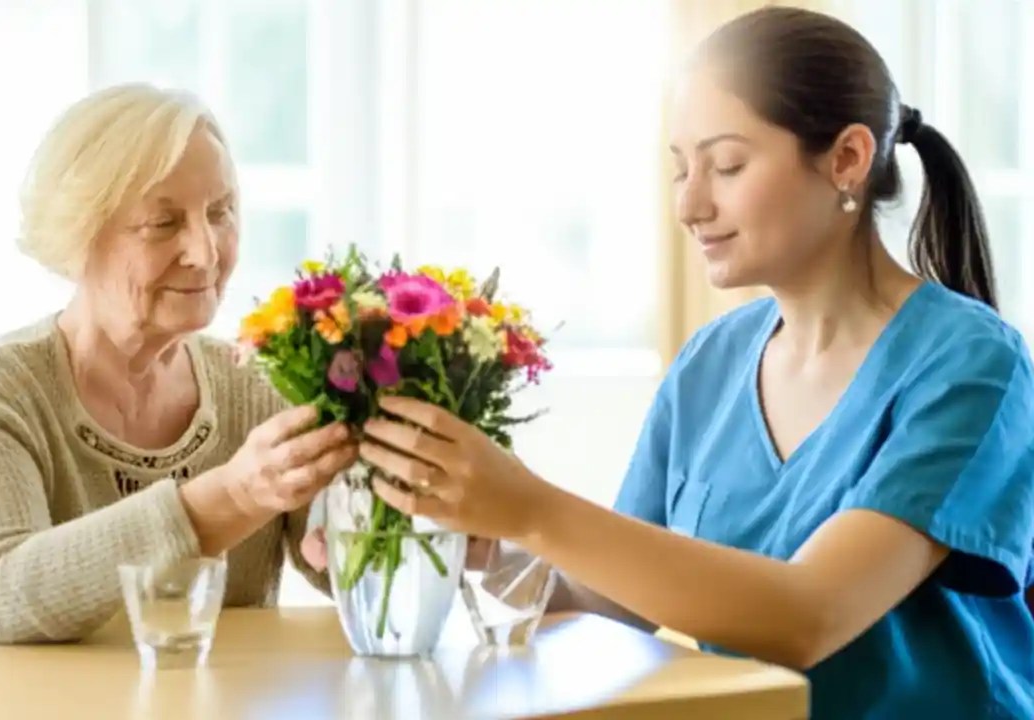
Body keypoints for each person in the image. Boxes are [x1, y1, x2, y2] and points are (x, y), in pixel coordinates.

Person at [349, 7, 1034, 719]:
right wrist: (456, 536)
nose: (688, 204)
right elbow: (608, 602)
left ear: (848, 159)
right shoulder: (713, 362)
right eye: (680, 168)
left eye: (728, 165)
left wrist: (529, 506)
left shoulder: (972, 367)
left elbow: (810, 616)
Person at [0, 84, 355, 644]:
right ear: (78, 237)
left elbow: (350, 572)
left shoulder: (260, 387)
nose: (205, 251)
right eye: (162, 224)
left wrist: (381, 504)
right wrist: (236, 496)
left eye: (220, 212)